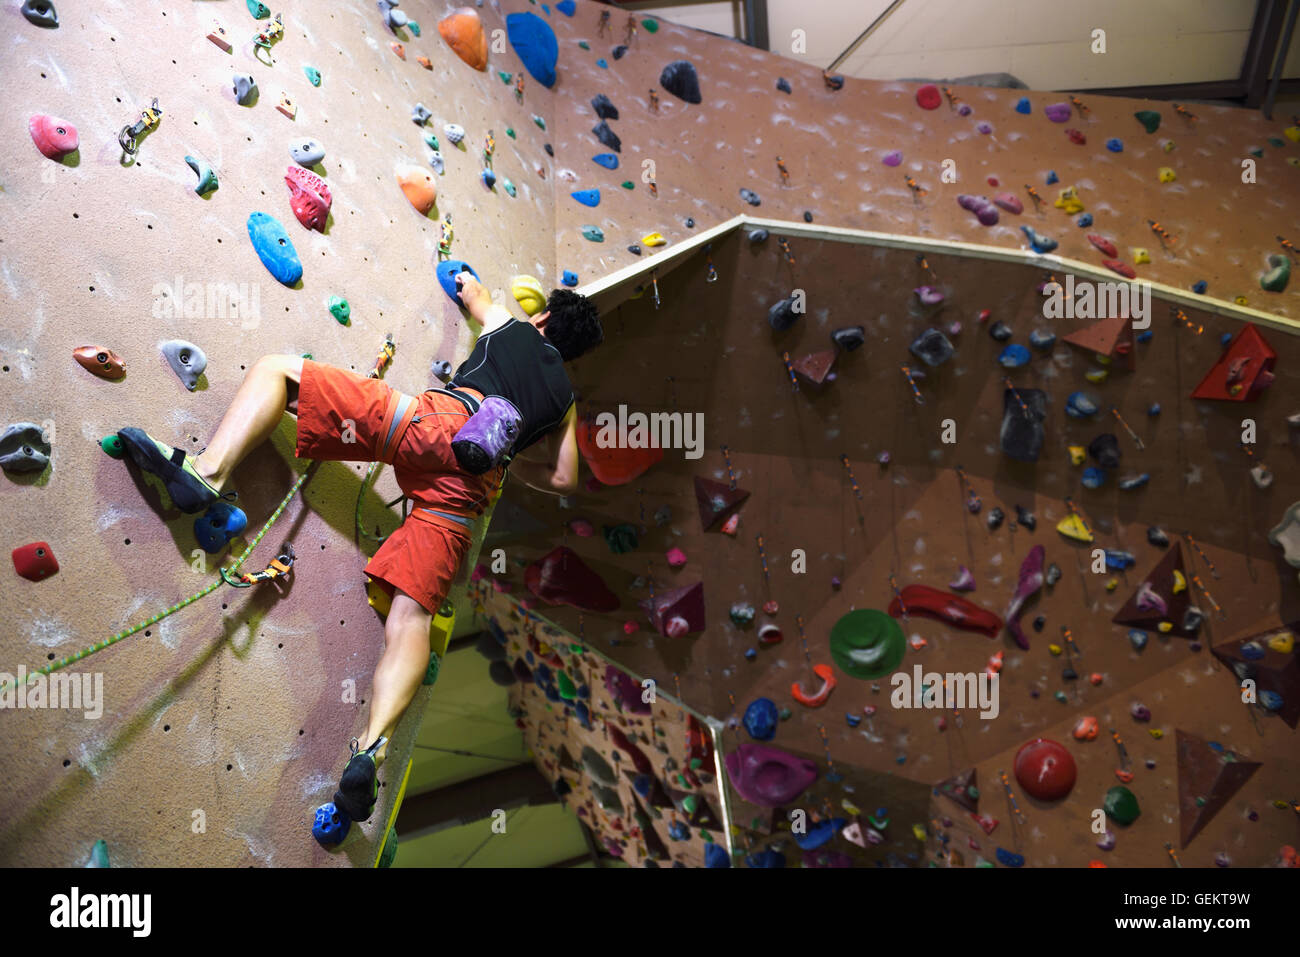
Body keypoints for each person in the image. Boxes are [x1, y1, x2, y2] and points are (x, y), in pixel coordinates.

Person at [115, 272, 602, 826]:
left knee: (278, 371)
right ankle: (371, 748)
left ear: (544, 319)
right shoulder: (564, 402)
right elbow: (564, 478)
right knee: (412, 618)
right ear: (572, 354)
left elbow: (475, 298)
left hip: (434, 426)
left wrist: (467, 285)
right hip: (467, 489)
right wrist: (508, 464)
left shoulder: (510, 327)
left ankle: (208, 472)